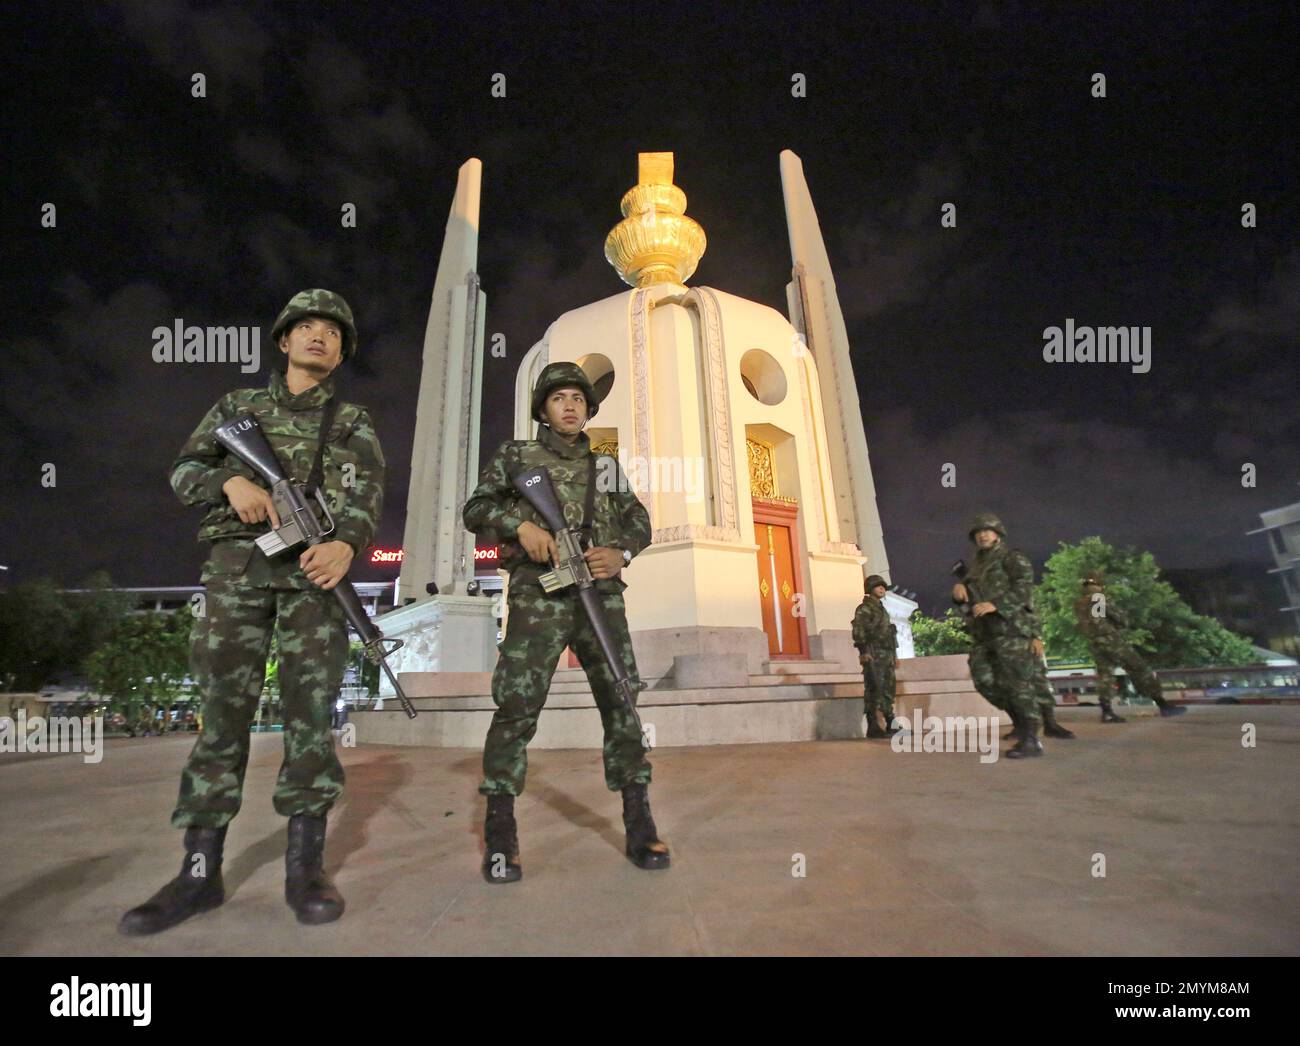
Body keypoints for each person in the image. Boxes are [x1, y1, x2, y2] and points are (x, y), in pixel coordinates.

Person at [119, 290, 385, 935]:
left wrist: (347, 545)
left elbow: (368, 494)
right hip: (238, 575)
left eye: (332, 333)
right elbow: (185, 470)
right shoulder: (239, 408)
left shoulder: (351, 420)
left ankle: (305, 868)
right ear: (284, 340)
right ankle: (199, 873)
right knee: (222, 718)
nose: (319, 337)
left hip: (312, 584)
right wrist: (229, 482)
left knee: (308, 720)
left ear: (342, 351)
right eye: (307, 329)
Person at [463, 361, 665, 883]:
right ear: (544, 409)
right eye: (559, 398)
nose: (570, 405)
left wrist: (620, 551)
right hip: (539, 595)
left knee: (622, 699)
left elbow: (640, 519)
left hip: (600, 598)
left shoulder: (606, 466)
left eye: (578, 398)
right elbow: (476, 508)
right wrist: (521, 525)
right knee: (517, 706)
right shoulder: (516, 456)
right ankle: (501, 827)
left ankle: (638, 819)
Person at [952, 513, 1045, 758]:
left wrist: (996, 604)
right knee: (984, 680)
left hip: (1011, 629)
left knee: (1018, 684)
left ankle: (1031, 738)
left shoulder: (1012, 557)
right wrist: (960, 590)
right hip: (984, 633)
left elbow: (1024, 589)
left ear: (998, 533)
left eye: (987, 530)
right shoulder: (976, 565)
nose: (982, 534)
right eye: (978, 532)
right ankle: (1020, 721)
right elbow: (969, 598)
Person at [1074, 573, 1186, 719]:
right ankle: (1162, 704)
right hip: (1111, 640)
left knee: (1105, 675)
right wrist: (1120, 623)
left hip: (1094, 642)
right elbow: (1109, 618)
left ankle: (1107, 711)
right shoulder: (1098, 598)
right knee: (1139, 667)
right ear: (1098, 585)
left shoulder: (1079, 603)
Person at [852, 574, 899, 739]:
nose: (882, 589)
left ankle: (891, 723)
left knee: (888, 688)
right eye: (878, 586)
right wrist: (863, 651)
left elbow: (890, 634)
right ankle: (873, 725)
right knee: (875, 688)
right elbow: (859, 630)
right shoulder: (864, 609)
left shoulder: (882, 609)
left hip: (886, 654)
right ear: (870, 589)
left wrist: (895, 655)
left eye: (883, 587)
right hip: (873, 653)